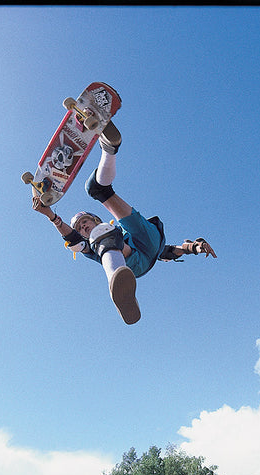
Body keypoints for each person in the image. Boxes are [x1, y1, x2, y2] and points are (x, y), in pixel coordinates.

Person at [32, 121, 216, 324]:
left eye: (85, 222)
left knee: (95, 188)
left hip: (148, 238)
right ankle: (120, 287)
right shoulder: (88, 246)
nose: (83, 227)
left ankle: (110, 147)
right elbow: (73, 240)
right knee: (99, 238)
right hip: (135, 265)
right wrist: (51, 216)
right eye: (81, 228)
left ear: (95, 218)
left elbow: (166, 250)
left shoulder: (118, 229)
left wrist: (193, 247)